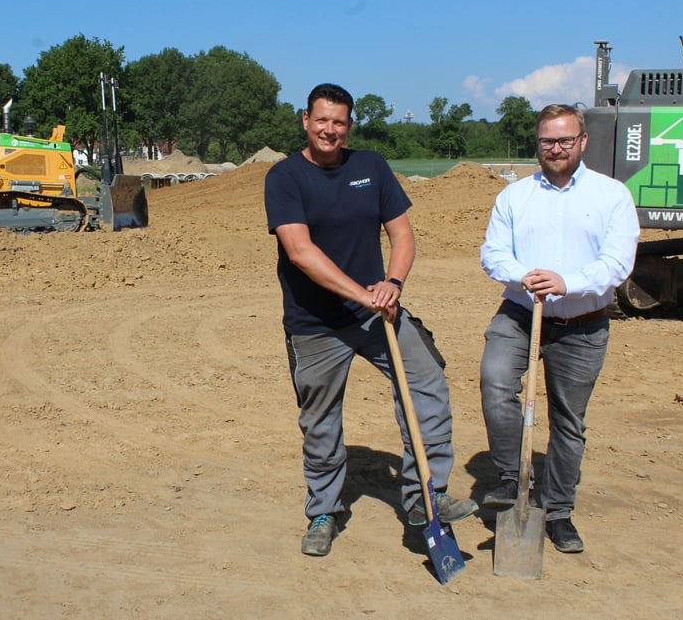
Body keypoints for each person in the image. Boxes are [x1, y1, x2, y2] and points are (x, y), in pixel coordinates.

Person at [264, 83, 477, 557]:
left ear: (349, 125)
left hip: (380, 311)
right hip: (315, 322)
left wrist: (394, 284)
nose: (330, 130)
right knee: (320, 420)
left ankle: (428, 495)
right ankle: (324, 508)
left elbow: (402, 233)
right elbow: (300, 252)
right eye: (322, 120)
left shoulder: (371, 166)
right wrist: (364, 292)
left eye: (339, 122)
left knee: (426, 383)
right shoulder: (284, 177)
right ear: (305, 120)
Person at [479, 103, 639, 554]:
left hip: (584, 325)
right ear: (539, 143)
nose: (556, 148)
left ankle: (559, 511)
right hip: (519, 313)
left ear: (582, 142)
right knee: (495, 381)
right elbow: (492, 252)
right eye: (548, 140)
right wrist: (523, 274)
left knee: (567, 420)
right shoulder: (514, 196)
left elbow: (617, 263)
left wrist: (569, 282)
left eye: (565, 140)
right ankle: (513, 479)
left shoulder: (611, 196)